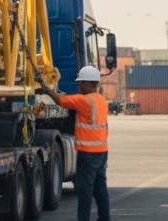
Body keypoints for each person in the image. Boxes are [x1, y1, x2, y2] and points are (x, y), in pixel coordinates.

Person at [39, 65, 110, 221]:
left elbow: (61, 101)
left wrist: (46, 89)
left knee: (84, 190)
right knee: (100, 188)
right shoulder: (101, 101)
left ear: (87, 83)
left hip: (88, 153)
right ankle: (105, 218)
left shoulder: (84, 101)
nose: (79, 86)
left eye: (80, 83)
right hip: (102, 151)